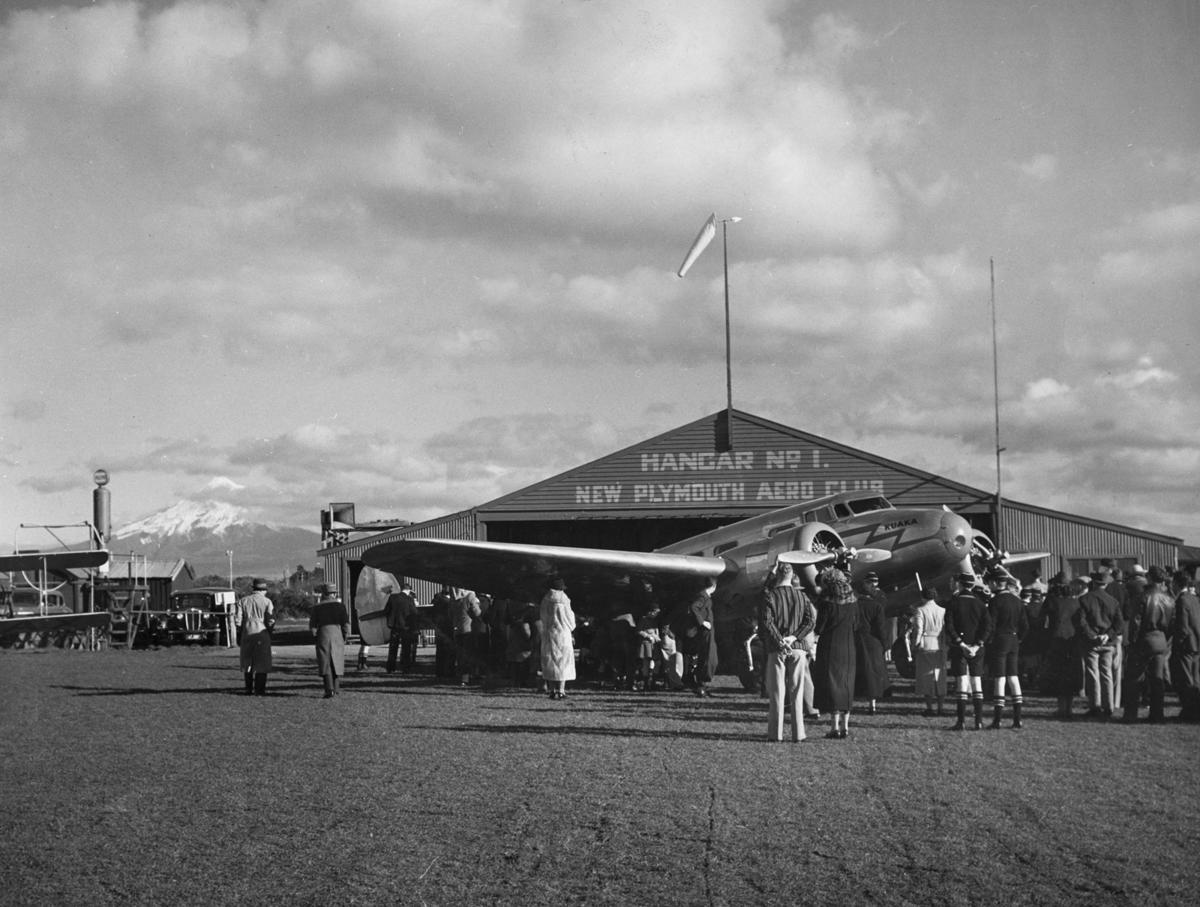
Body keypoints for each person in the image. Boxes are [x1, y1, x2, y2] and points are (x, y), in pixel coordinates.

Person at [759, 560, 817, 742]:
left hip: (777, 649)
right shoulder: (802, 597)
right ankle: (798, 733)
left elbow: (767, 622)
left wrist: (780, 640)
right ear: (792, 576)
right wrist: (794, 637)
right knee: (797, 691)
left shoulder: (770, 596)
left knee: (777, 692)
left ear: (778, 575)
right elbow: (810, 621)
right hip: (798, 649)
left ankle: (775, 734)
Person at [812, 561, 859, 739]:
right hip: (848, 646)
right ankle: (845, 726)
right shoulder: (854, 600)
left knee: (832, 685)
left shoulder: (827, 602)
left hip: (830, 645)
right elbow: (857, 624)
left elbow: (820, 627)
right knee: (847, 684)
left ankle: (834, 727)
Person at [1122, 566, 1174, 723]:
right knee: (1157, 680)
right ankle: (1157, 714)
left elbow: (1136, 622)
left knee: (1134, 678)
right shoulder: (1169, 599)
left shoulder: (1142, 596)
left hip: (1143, 640)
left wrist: (1131, 641)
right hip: (1160, 640)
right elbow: (1172, 623)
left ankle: (1131, 714)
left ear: (1149, 578)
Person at [944, 572, 992, 730]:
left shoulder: (954, 602)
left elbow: (949, 626)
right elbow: (987, 627)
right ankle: (978, 721)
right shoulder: (980, 604)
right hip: (977, 648)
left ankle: (961, 721)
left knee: (962, 683)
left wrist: (961, 643)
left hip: (960, 647)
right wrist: (978, 644)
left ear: (960, 584)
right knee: (976, 682)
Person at [1074, 573, 1124, 719]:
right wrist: (1108, 635)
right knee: (1107, 673)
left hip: (1091, 642)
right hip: (1108, 642)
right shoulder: (1113, 601)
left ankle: (1095, 706)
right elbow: (1119, 624)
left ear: (1093, 583)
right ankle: (1108, 706)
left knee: (1092, 674)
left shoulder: (1084, 599)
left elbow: (1081, 622)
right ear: (1106, 584)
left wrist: (1092, 636)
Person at [986, 573, 1030, 729]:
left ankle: (997, 719)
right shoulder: (1017, 601)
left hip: (1000, 639)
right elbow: (1025, 626)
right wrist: (1018, 639)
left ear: (996, 583)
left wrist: (988, 640)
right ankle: (1017, 718)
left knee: (1000, 678)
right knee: (1013, 677)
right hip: (1013, 640)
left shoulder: (995, 601)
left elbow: (991, 624)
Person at [854, 571, 889, 714]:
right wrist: (885, 645)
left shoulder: (855, 605)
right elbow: (881, 628)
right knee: (874, 673)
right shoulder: (877, 605)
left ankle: (855, 697)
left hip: (858, 640)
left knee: (860, 671)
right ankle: (872, 704)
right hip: (874, 641)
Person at [909, 587, 946, 716]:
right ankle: (941, 707)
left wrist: (915, 644)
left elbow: (919, 629)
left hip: (925, 644)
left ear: (923, 597)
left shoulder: (920, 610)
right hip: (939, 644)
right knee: (939, 678)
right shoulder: (942, 610)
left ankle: (930, 707)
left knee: (926, 678)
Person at [679, 579, 719, 697]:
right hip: (705, 632)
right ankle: (701, 685)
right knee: (707, 657)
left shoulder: (705, 597)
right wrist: (702, 623)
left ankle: (703, 685)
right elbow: (694, 607)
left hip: (708, 632)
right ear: (714, 586)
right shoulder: (703, 597)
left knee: (709, 658)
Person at [310, 582, 350, 699]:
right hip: (337, 635)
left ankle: (329, 690)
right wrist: (345, 636)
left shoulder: (317, 607)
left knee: (325, 663)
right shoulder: (340, 606)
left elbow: (312, 625)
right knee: (337, 661)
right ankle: (336, 688)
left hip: (323, 635)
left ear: (323, 593)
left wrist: (315, 637)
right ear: (334, 593)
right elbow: (346, 624)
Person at [1171, 570, 1200, 720]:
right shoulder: (1194, 598)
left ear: (1175, 583)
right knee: (1195, 679)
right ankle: (1193, 709)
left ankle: (1190, 710)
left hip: (1186, 645)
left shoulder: (1181, 600)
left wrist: (1176, 644)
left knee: (1186, 679)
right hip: (1196, 643)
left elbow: (1182, 627)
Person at [237, 578, 274, 696]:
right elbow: (270, 621)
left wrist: (240, 632)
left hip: (247, 631)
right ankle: (260, 689)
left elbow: (238, 620)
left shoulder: (243, 601)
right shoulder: (267, 602)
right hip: (261, 633)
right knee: (262, 662)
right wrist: (270, 631)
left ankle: (248, 688)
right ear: (263, 590)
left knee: (247, 661)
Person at [540, 577, 576, 700]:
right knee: (563, 662)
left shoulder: (546, 599)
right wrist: (571, 628)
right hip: (563, 633)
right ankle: (561, 690)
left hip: (550, 632)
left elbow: (543, 616)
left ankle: (551, 690)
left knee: (550, 660)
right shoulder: (565, 600)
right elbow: (570, 618)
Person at [384, 582, 419, 674]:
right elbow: (414, 613)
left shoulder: (392, 597)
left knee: (393, 648)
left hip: (394, 626)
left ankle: (390, 668)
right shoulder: (409, 599)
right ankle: (405, 668)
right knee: (406, 648)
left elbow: (386, 610)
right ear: (408, 590)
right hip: (406, 627)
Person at [504, 599, 539, 688]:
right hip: (522, 631)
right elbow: (525, 627)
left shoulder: (511, 602)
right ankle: (522, 681)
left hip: (515, 629)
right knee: (523, 659)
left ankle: (515, 681)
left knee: (515, 660)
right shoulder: (527, 608)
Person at [451, 588, 482, 686]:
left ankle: (461, 676)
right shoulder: (470, 596)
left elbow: (450, 613)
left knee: (460, 655)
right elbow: (477, 612)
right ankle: (467, 678)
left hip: (457, 628)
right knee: (469, 654)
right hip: (468, 628)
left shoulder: (454, 599)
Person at [429, 585, 457, 680]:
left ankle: (442, 670)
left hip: (442, 628)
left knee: (443, 651)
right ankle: (447, 670)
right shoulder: (443, 600)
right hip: (446, 627)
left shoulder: (439, 599)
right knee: (446, 650)